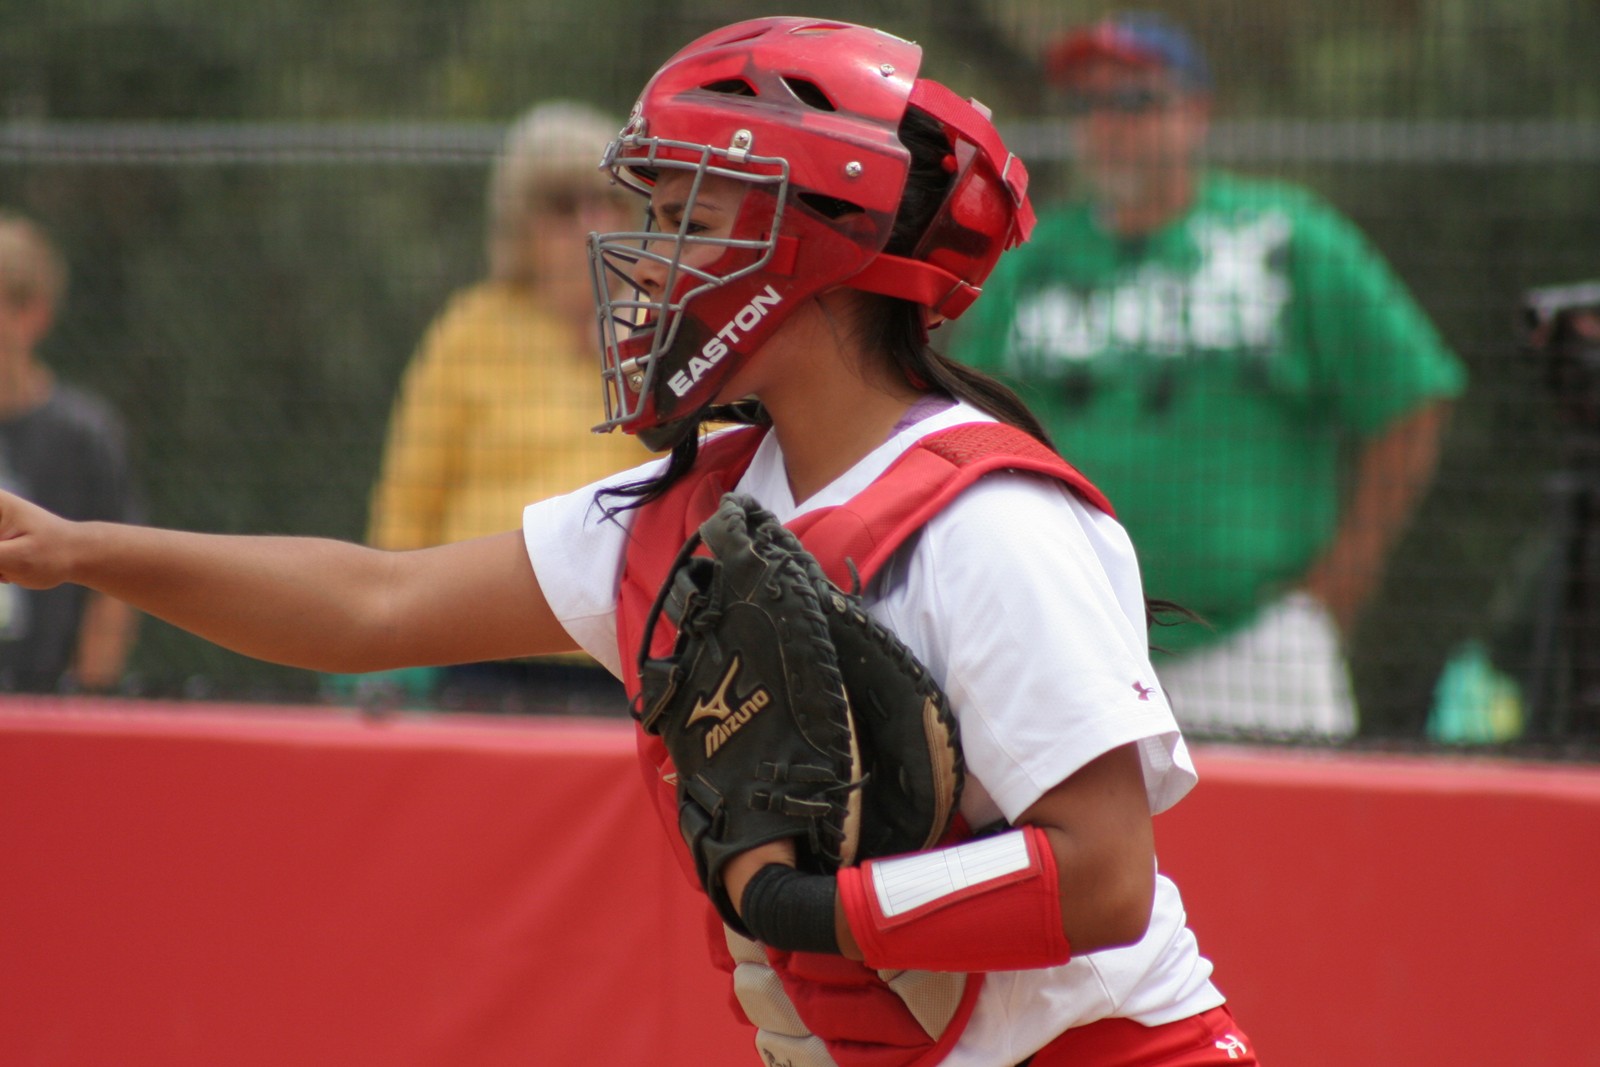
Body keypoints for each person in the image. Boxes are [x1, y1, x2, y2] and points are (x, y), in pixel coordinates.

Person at [0, 18, 1258, 1065]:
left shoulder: (986, 521)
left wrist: (803, 906)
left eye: (690, 216)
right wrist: (79, 548)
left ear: (813, 238)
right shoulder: (693, 512)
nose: (646, 268)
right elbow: (370, 604)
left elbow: (1105, 877)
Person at [951, 12, 1467, 739]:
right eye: (1086, 104)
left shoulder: (1289, 237)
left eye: (1134, 101)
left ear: (1197, 112)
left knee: (1285, 849)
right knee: (1080, 851)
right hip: (1070, 640)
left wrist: (1336, 587)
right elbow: (962, 421)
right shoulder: (1033, 258)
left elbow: (1416, 395)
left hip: (1255, 648)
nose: (1107, 124)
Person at [360, 100, 650, 714]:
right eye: (563, 206)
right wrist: (382, 644)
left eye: (608, 201)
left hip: (626, 650)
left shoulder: (668, 328)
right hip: (482, 646)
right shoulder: (471, 329)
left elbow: (717, 469)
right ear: (520, 223)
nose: (590, 223)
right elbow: (412, 498)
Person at [0, 210, 142, 694]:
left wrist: (87, 700)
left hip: (44, 701)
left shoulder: (83, 435)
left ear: (31, 314)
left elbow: (117, 585)